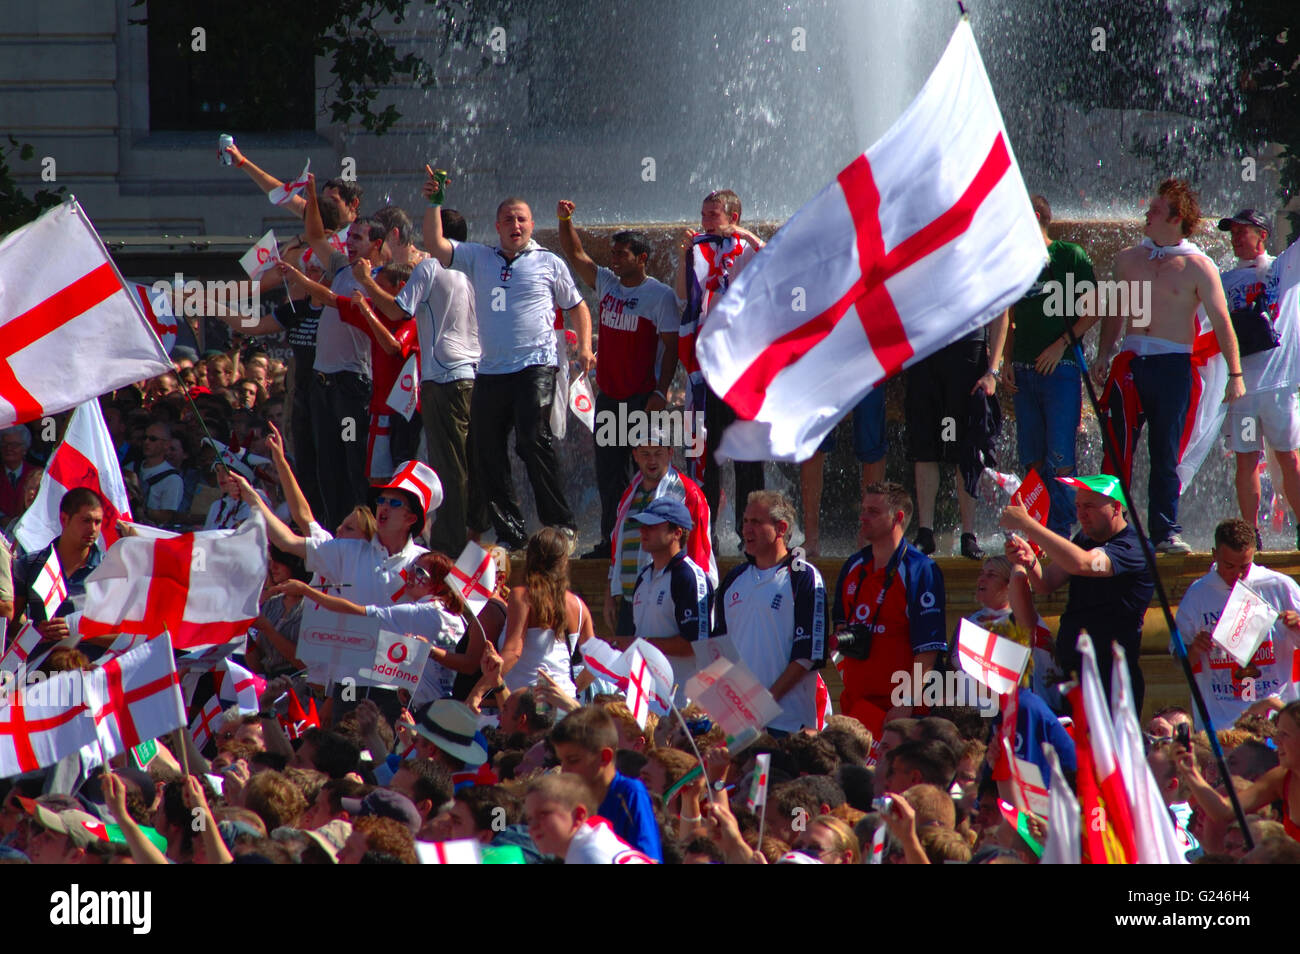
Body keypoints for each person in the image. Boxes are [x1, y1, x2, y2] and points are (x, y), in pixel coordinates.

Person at [421, 171, 593, 552]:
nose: (515, 225)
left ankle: (560, 524)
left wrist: (584, 347)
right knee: (486, 452)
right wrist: (435, 203)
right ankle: (511, 533)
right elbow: (434, 243)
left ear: (531, 225)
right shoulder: (479, 257)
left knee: (532, 440)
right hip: (491, 370)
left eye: (522, 219)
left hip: (536, 365)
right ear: (497, 226)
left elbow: (577, 306)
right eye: (508, 219)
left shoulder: (549, 262)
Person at [1092, 178, 1246, 553]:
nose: (1147, 214)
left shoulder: (1198, 266)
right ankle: (1107, 529)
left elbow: (1222, 321)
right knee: (1114, 448)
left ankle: (1164, 531)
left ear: (1176, 218)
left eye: (1156, 210)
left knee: (1165, 451)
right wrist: (1103, 353)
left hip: (1172, 364)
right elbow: (1115, 311)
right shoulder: (1128, 259)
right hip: (1130, 361)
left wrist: (1236, 374)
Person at [555, 202, 680, 557]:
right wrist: (565, 220)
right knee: (611, 479)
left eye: (622, 254)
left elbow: (671, 349)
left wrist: (661, 390)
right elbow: (574, 251)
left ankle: (648, 544)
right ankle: (612, 542)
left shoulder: (660, 296)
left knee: (647, 473)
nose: (614, 260)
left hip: (642, 399)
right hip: (609, 398)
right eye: (613, 254)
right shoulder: (607, 283)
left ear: (642, 258)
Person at [369, 208, 479, 556]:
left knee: (449, 464)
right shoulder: (478, 267)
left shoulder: (431, 267)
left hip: (442, 379)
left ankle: (450, 545)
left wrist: (365, 283)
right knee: (469, 458)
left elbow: (398, 310)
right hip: (476, 375)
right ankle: (476, 529)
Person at [1001, 473, 1154, 710]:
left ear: (1115, 508)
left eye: (1089, 506)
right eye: (1078, 506)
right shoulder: (1084, 538)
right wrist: (1030, 561)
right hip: (1074, 672)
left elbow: (1081, 563)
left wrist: (1028, 524)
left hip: (1110, 679)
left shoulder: (1134, 547)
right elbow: (1046, 583)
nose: (1080, 513)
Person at [1003, 195, 1099, 537]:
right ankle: (1041, 528)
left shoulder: (1068, 255)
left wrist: (1060, 346)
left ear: (1039, 216)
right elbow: (1010, 318)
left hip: (1061, 370)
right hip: (1024, 372)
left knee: (1060, 454)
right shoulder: (1014, 262)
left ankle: (1061, 530)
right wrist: (1007, 361)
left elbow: (1094, 309)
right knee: (1032, 457)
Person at [675, 189, 765, 548]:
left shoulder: (747, 249)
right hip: (709, 366)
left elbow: (776, 264)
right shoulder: (700, 250)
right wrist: (686, 257)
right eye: (704, 215)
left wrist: (743, 237)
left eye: (714, 215)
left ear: (734, 216)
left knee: (746, 454)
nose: (706, 222)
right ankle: (705, 532)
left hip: (743, 369)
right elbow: (683, 297)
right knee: (706, 453)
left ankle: (753, 533)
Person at [234, 458, 439, 606]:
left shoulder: (424, 563)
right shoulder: (348, 551)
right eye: (381, 500)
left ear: (411, 519)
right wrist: (250, 497)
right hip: (341, 665)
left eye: (394, 503)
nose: (384, 507)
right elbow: (286, 541)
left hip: (393, 664)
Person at [303, 173, 387, 527]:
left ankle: (365, 528)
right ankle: (336, 528)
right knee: (327, 462)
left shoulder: (381, 279)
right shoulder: (339, 266)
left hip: (352, 387)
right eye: (349, 237)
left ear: (377, 244)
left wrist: (300, 280)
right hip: (322, 384)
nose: (349, 243)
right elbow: (315, 236)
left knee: (354, 459)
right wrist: (309, 195)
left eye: (357, 238)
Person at [833, 482, 945, 736]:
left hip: (900, 715)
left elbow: (928, 649)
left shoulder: (920, 569)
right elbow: (840, 632)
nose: (863, 517)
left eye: (873, 511)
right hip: (856, 710)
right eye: (863, 509)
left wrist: (906, 702)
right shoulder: (853, 565)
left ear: (898, 517)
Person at [1216, 209, 1300, 549]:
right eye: (1233, 232)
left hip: (1279, 387)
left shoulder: (1285, 266)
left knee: (1289, 457)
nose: (1236, 237)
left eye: (1243, 231)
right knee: (1247, 458)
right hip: (1244, 389)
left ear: (1262, 234)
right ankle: (1250, 535)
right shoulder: (1223, 281)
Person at [714, 490, 828, 736]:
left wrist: (763, 704)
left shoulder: (803, 576)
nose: (746, 529)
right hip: (737, 725)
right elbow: (718, 650)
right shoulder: (734, 579)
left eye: (755, 522)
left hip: (787, 725)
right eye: (745, 521)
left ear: (781, 528)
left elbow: (808, 654)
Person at [1173, 518, 1300, 729]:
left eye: (1245, 566)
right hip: (1222, 722)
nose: (1238, 575)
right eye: (1229, 566)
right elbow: (1179, 661)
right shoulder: (1198, 594)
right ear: (1215, 555)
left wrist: (1297, 624)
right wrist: (1195, 649)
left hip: (1275, 717)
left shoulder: (1279, 585)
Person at [905, 308, 1008, 560]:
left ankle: (968, 534)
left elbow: (1002, 308)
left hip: (967, 348)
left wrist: (992, 370)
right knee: (924, 445)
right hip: (924, 348)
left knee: (966, 446)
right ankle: (925, 532)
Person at [605, 432, 714, 637]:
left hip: (671, 598)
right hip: (632, 600)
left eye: (658, 453)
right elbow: (617, 544)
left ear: (670, 453)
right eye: (645, 454)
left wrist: (695, 595)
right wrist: (610, 592)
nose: (651, 460)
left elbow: (700, 551)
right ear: (635, 455)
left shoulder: (688, 493)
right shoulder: (629, 493)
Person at [605, 497, 712, 700]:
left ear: (677, 533)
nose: (643, 531)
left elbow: (696, 644)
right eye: (643, 525)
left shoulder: (689, 576)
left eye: (652, 526)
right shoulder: (644, 576)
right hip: (646, 698)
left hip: (679, 702)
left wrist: (638, 643)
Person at [1177, 700, 1300, 843]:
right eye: (1277, 733)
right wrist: (1190, 771)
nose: (1277, 741)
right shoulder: (1281, 777)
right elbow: (1224, 810)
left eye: (1284, 734)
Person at [548, 705, 661, 860]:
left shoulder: (630, 793)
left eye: (573, 760)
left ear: (604, 757)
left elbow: (648, 858)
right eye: (562, 761)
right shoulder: (571, 799)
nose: (565, 770)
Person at [500, 527, 595, 695]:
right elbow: (596, 663)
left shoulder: (522, 596)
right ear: (564, 561)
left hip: (527, 701)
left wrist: (479, 690)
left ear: (529, 558)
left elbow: (513, 651)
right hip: (563, 700)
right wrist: (570, 690)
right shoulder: (579, 606)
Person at [9, 487, 103, 646]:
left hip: (90, 667)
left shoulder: (110, 570)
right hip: (40, 667)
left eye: (98, 522)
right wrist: (33, 634)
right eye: (86, 520)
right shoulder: (29, 565)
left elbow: (124, 635)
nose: (93, 529)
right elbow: (10, 621)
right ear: (64, 519)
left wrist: (77, 631)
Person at [524, 772, 655, 864]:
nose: (533, 826)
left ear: (578, 815)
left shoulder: (588, 854)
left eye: (543, 814)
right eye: (529, 819)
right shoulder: (597, 840)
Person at [129, 419, 184, 527]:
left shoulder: (172, 479)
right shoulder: (130, 467)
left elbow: (167, 516)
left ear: (166, 445)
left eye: (153, 439)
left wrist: (141, 510)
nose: (146, 442)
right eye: (145, 438)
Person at [0, 425, 39, 522]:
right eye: (5, 444)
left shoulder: (36, 475)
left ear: (25, 449)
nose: (9, 448)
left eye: (14, 445)